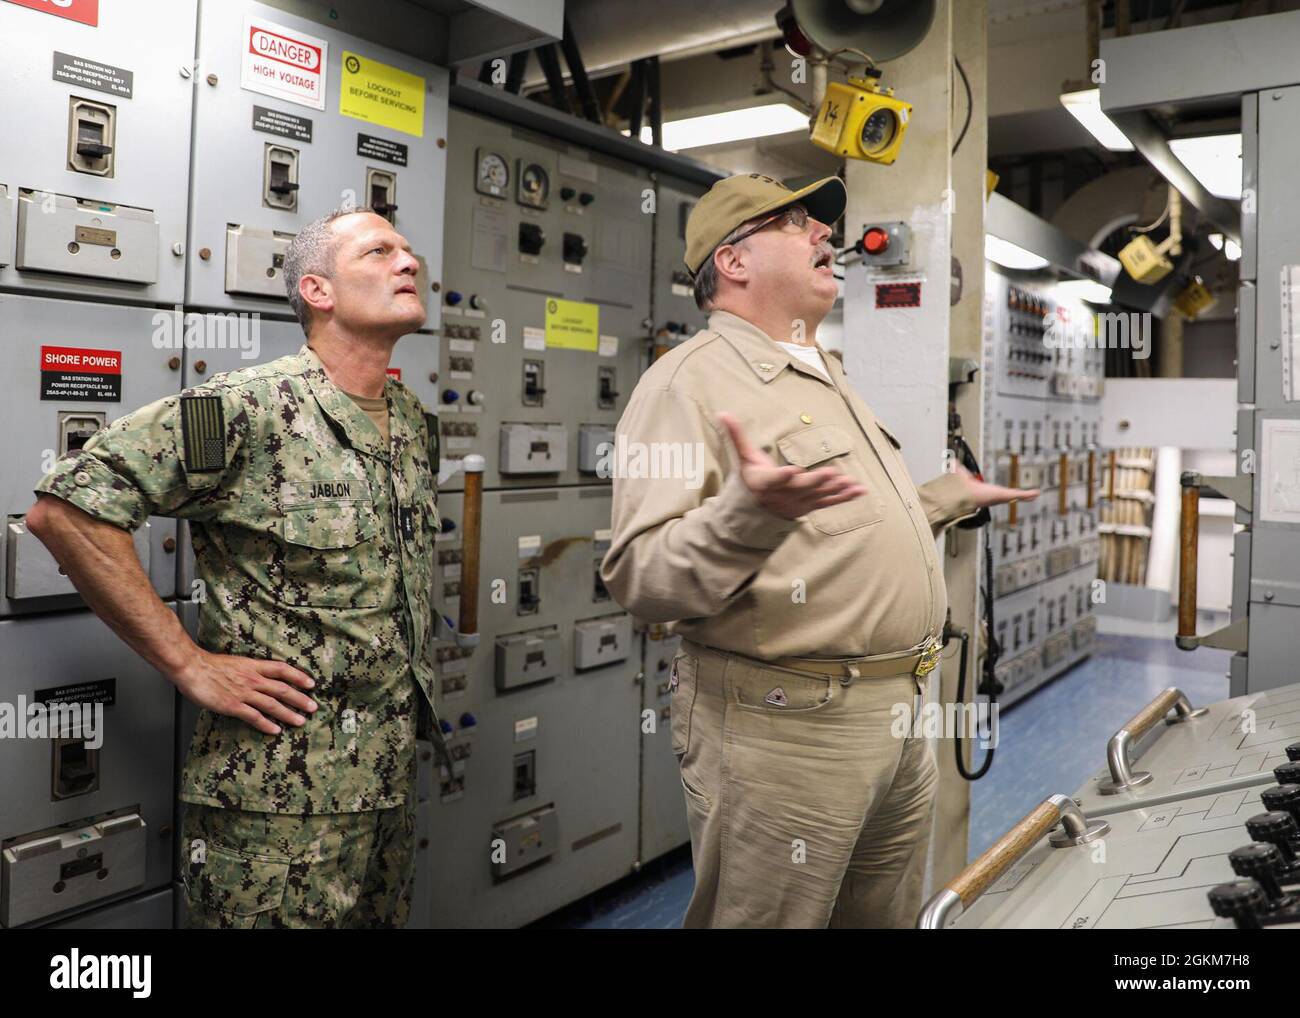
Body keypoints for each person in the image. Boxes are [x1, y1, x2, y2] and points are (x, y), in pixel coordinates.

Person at [600, 173, 1037, 928]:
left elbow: (835, 532)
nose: (823, 235)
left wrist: (944, 499)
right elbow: (641, 578)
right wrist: (744, 515)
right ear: (732, 262)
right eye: (795, 223)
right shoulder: (684, 385)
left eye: (818, 223)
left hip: (897, 715)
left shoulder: (822, 372)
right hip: (789, 730)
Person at [26, 207, 442, 928]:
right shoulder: (246, 410)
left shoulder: (409, 420)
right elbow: (67, 512)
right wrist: (189, 663)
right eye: (379, 252)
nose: (408, 262)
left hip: (386, 783)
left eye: (408, 250)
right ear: (318, 290)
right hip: (274, 807)